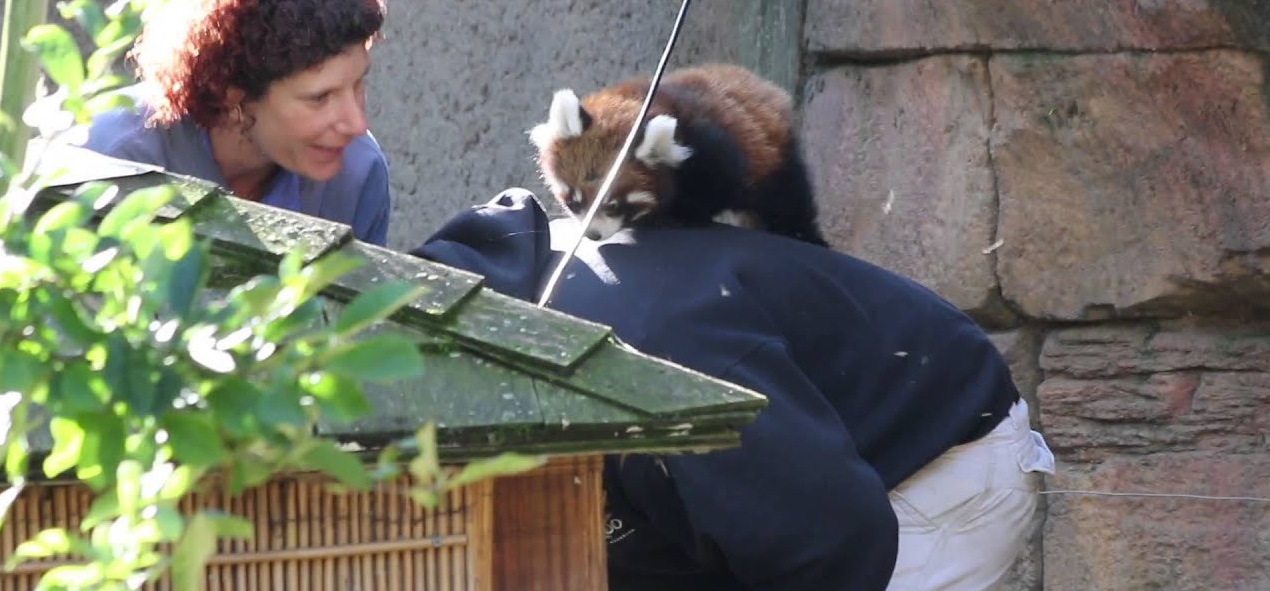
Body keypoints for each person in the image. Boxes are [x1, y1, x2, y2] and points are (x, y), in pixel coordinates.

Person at [412, 188, 1055, 591]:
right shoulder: (496, 319)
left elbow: (831, 544)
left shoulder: (626, 358)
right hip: (803, 477)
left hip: (923, 478)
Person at [72, 0, 392, 245]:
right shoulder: (109, 159)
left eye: (358, 84)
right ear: (230, 94)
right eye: (320, 98)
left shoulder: (358, 174)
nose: (356, 123)